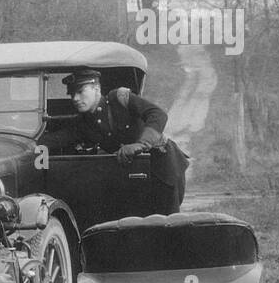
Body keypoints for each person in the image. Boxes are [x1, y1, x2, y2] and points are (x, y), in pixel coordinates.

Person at [40, 69, 190, 214]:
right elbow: (60, 138)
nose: (75, 99)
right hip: (135, 172)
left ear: (96, 88)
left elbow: (157, 114)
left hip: (162, 166)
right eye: (72, 94)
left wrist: (141, 144)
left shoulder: (119, 98)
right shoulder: (85, 123)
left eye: (80, 92)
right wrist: (30, 145)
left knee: (169, 221)